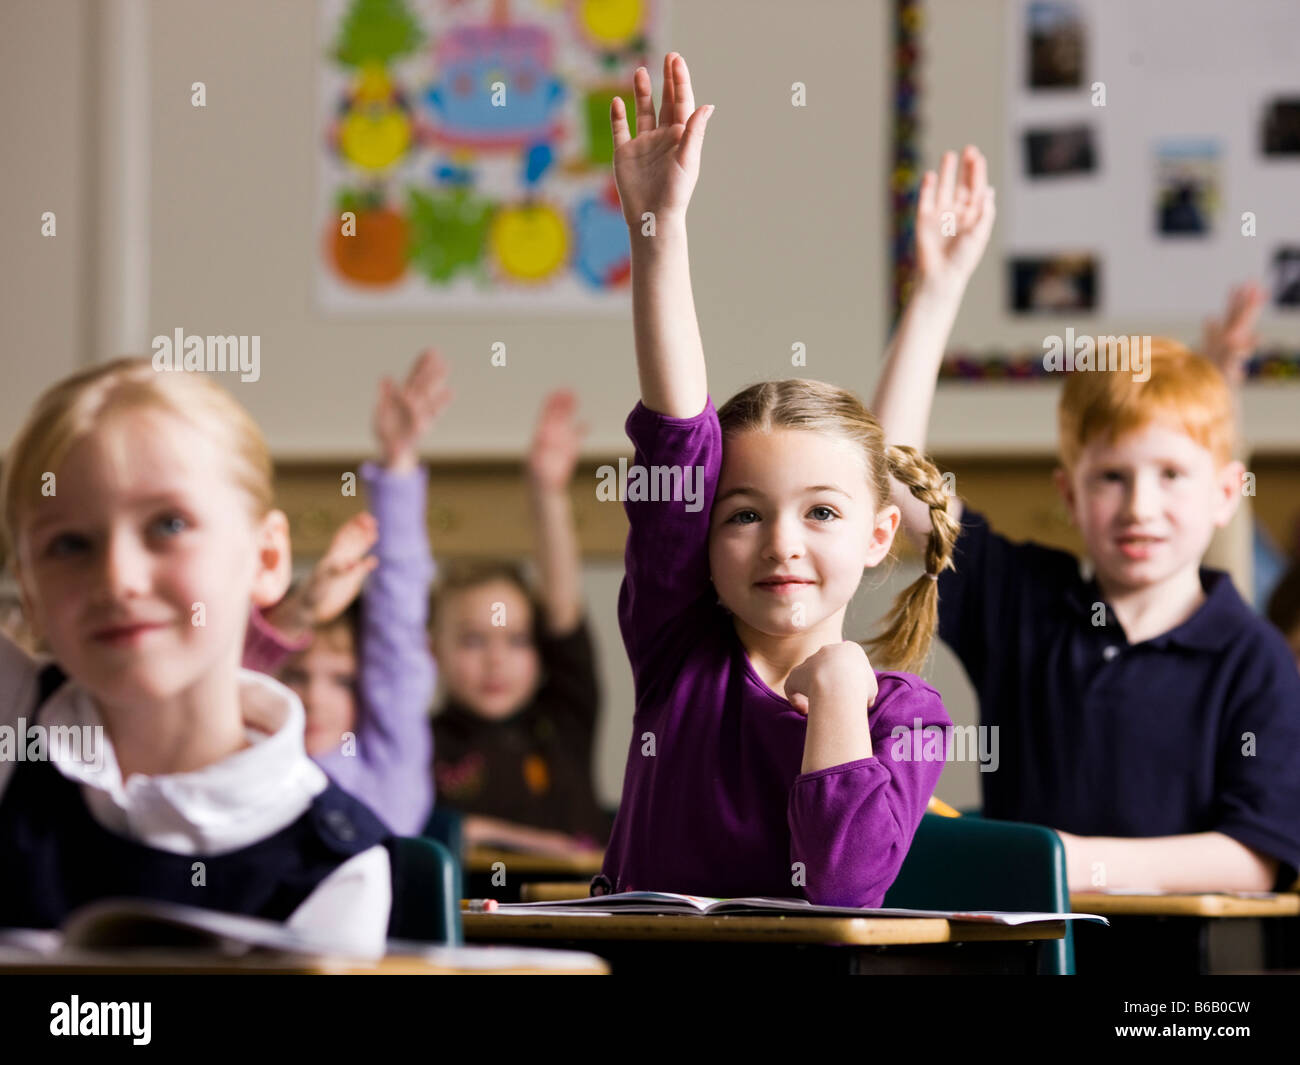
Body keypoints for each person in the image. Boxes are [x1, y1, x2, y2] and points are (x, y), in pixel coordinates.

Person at [873, 147, 1300, 893]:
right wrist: (936, 293)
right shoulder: (1024, 600)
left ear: (1226, 492)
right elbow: (894, 477)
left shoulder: (1252, 655)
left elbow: (1255, 857)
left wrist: (1074, 860)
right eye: (1112, 477)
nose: (1140, 505)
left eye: (1172, 476)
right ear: (1070, 495)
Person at [594, 55, 955, 907]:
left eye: (821, 512)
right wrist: (658, 229)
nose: (781, 543)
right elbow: (679, 437)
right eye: (744, 515)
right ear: (703, 541)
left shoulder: (906, 716)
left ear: (878, 537)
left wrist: (837, 690)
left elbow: (845, 886)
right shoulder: (677, 643)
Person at [0, 359, 392, 953]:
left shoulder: (335, 864)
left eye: (169, 524)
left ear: (265, 560)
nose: (118, 579)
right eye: (69, 544)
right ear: (28, 590)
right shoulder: (13, 722)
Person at [247, 349, 447, 837]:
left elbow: (398, 621)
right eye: (296, 675)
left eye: (341, 680)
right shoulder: (247, 764)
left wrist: (398, 465)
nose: (315, 698)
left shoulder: (387, 762)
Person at [431, 391, 610, 853]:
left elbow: (563, 607)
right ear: (433, 650)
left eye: (516, 641)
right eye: (473, 641)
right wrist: (521, 842)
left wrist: (547, 493)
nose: (496, 661)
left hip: (582, 919)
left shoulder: (563, 718)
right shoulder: (420, 741)